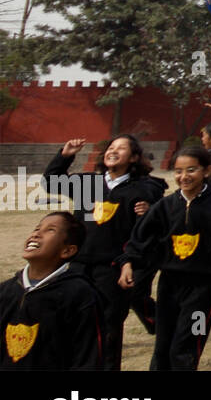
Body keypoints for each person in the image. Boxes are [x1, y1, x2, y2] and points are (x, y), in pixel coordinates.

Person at [41, 132, 162, 370]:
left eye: (121, 148)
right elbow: (51, 181)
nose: (112, 151)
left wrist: (151, 210)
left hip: (113, 269)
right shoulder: (88, 184)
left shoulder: (142, 190)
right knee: (72, 324)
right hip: (78, 267)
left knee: (108, 330)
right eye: (110, 147)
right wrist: (64, 156)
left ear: (134, 157)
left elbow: (149, 228)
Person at [119, 146, 211, 371]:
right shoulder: (165, 206)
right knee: (163, 344)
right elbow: (141, 237)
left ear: (206, 171)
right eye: (178, 171)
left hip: (204, 287)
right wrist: (128, 262)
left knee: (188, 343)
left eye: (191, 170)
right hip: (170, 284)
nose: (184, 177)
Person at [0, 212, 103, 370]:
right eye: (37, 228)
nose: (37, 234)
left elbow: (88, 357)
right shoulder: (7, 291)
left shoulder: (79, 294)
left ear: (67, 251)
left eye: (50, 230)